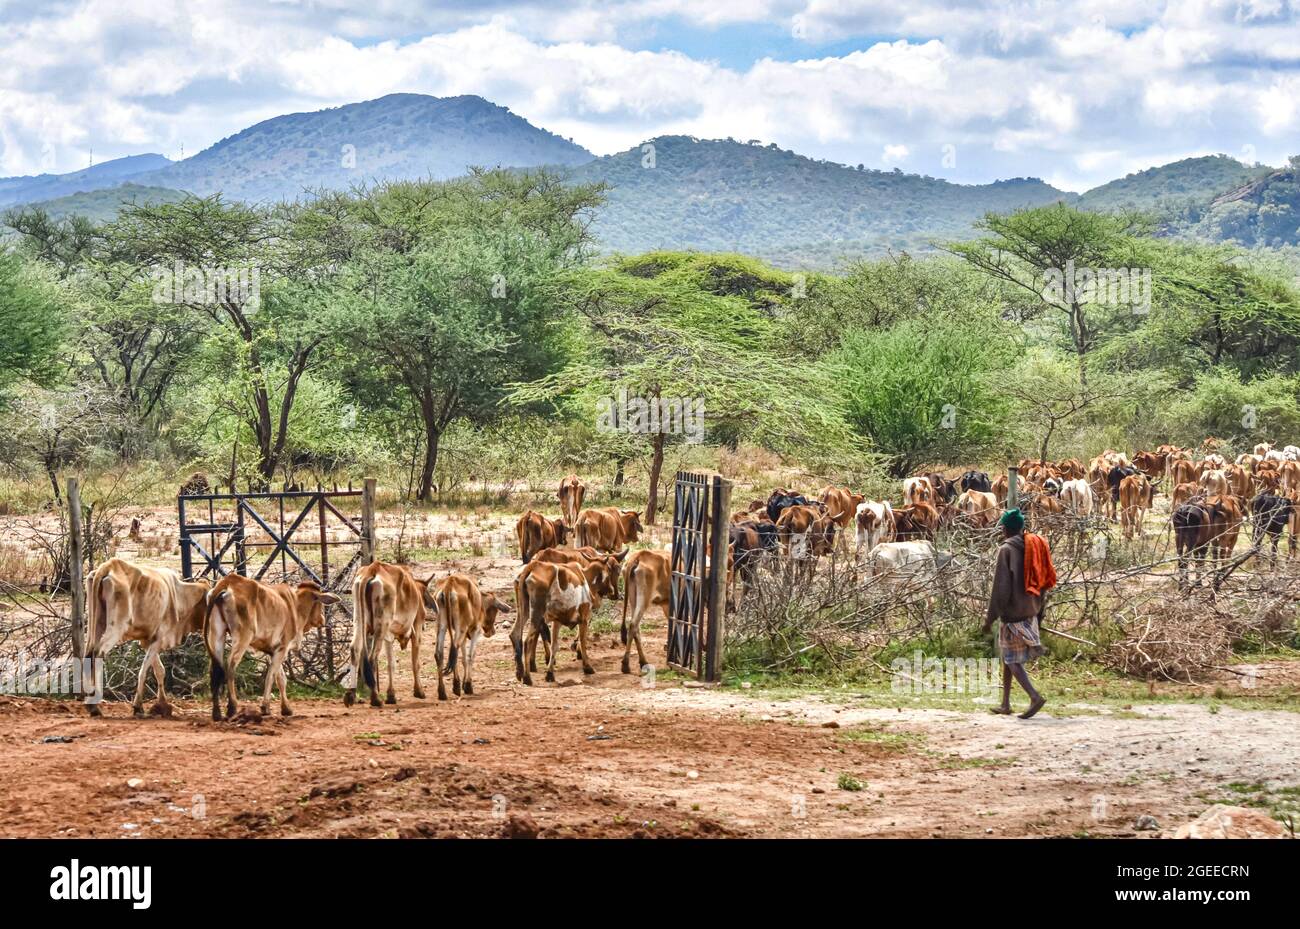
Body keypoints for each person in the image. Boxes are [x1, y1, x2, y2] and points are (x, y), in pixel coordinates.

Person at [982, 508, 1053, 719]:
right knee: (1008, 656)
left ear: (1004, 529)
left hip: (1013, 613)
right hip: (1031, 608)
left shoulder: (1006, 550)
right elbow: (1043, 579)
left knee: (1012, 660)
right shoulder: (1034, 545)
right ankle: (1005, 703)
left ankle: (1034, 696)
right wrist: (1040, 610)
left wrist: (990, 618)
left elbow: (1000, 588)